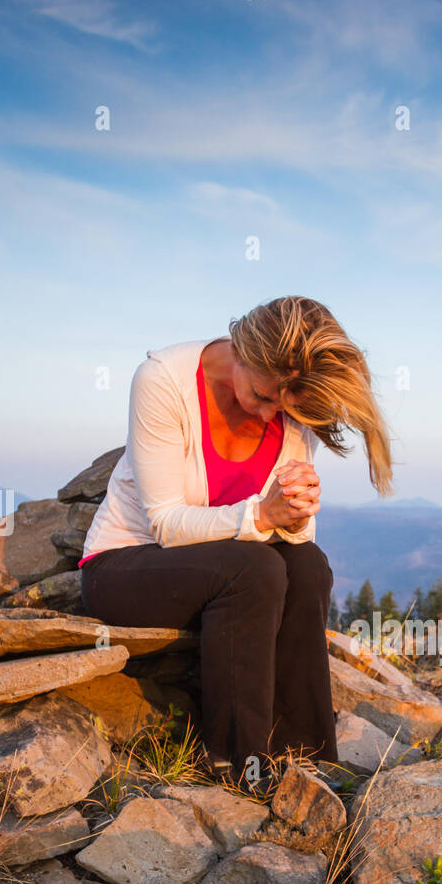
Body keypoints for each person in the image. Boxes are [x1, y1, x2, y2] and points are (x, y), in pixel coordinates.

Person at [79, 296, 393, 788]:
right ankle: (236, 763)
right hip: (125, 567)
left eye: (283, 406)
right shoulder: (164, 379)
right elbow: (164, 523)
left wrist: (294, 512)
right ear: (244, 351)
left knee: (310, 564)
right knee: (255, 568)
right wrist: (263, 513)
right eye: (264, 396)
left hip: (223, 570)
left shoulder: (290, 403)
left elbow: (290, 538)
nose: (272, 415)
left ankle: (306, 759)